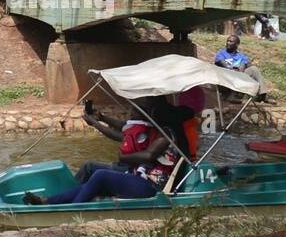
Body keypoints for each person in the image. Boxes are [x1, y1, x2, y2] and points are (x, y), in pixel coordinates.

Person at [23, 101, 182, 205]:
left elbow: (149, 155)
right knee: (95, 183)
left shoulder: (166, 134)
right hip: (138, 178)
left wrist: (124, 157)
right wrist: (100, 119)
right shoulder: (154, 131)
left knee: (100, 175)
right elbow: (124, 130)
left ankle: (73, 209)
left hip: (151, 186)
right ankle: (48, 202)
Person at [213, 34, 269, 101]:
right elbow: (224, 65)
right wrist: (233, 69)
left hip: (238, 77)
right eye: (227, 41)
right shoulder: (221, 53)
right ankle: (232, 95)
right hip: (225, 79)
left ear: (237, 44)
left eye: (231, 41)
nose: (228, 43)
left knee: (254, 69)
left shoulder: (242, 56)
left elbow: (242, 68)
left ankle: (262, 95)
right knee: (231, 73)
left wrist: (238, 71)